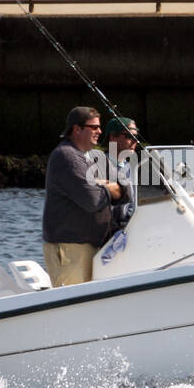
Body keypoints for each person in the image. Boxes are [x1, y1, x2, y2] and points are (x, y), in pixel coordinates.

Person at [42, 106, 121, 287]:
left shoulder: (93, 157)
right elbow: (93, 200)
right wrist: (108, 187)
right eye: (94, 127)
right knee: (72, 306)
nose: (100, 131)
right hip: (70, 249)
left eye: (99, 127)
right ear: (77, 129)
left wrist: (104, 185)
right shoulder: (67, 157)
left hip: (90, 247)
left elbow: (125, 190)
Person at [103, 116, 141, 230]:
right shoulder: (96, 167)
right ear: (113, 137)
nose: (135, 141)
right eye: (130, 136)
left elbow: (133, 205)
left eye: (136, 136)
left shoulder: (131, 169)